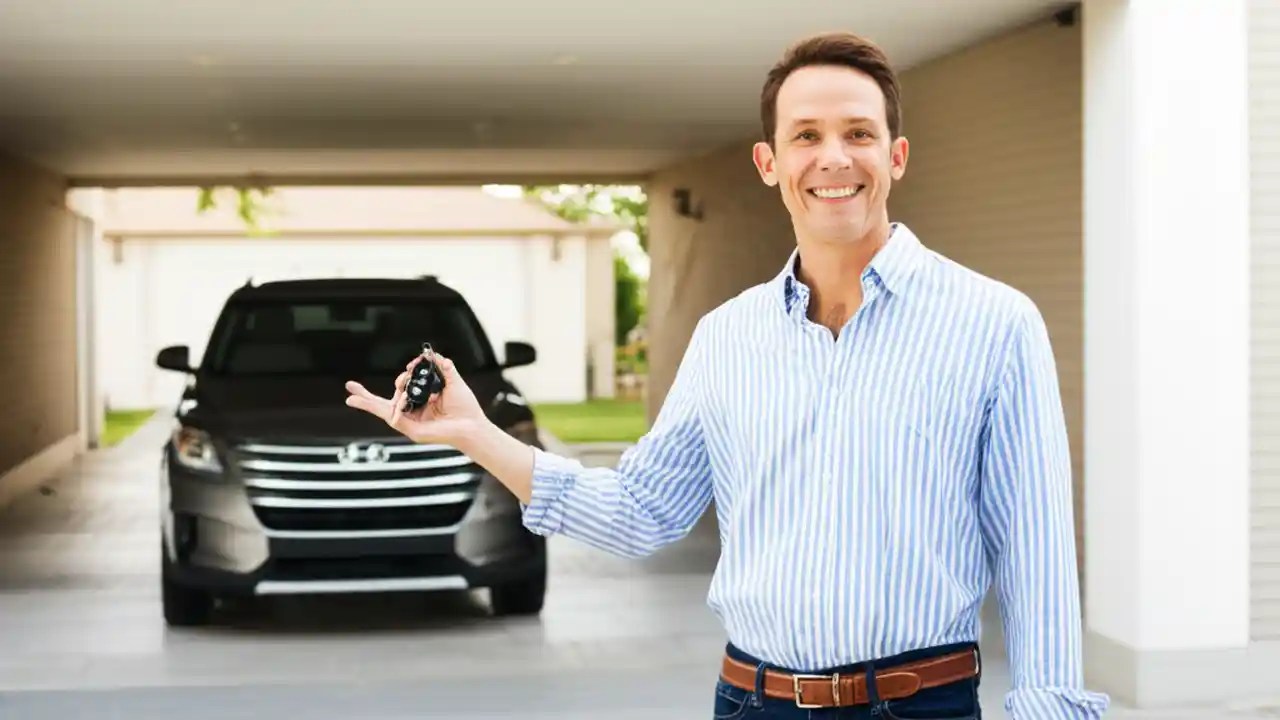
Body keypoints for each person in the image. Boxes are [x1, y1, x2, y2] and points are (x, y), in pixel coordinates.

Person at [344, 31, 1110, 720]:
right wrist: (476, 435)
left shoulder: (993, 324)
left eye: (859, 134)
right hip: (753, 703)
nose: (834, 158)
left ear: (896, 157)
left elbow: (1034, 551)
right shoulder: (727, 338)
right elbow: (643, 510)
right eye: (806, 135)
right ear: (769, 162)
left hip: (918, 706)